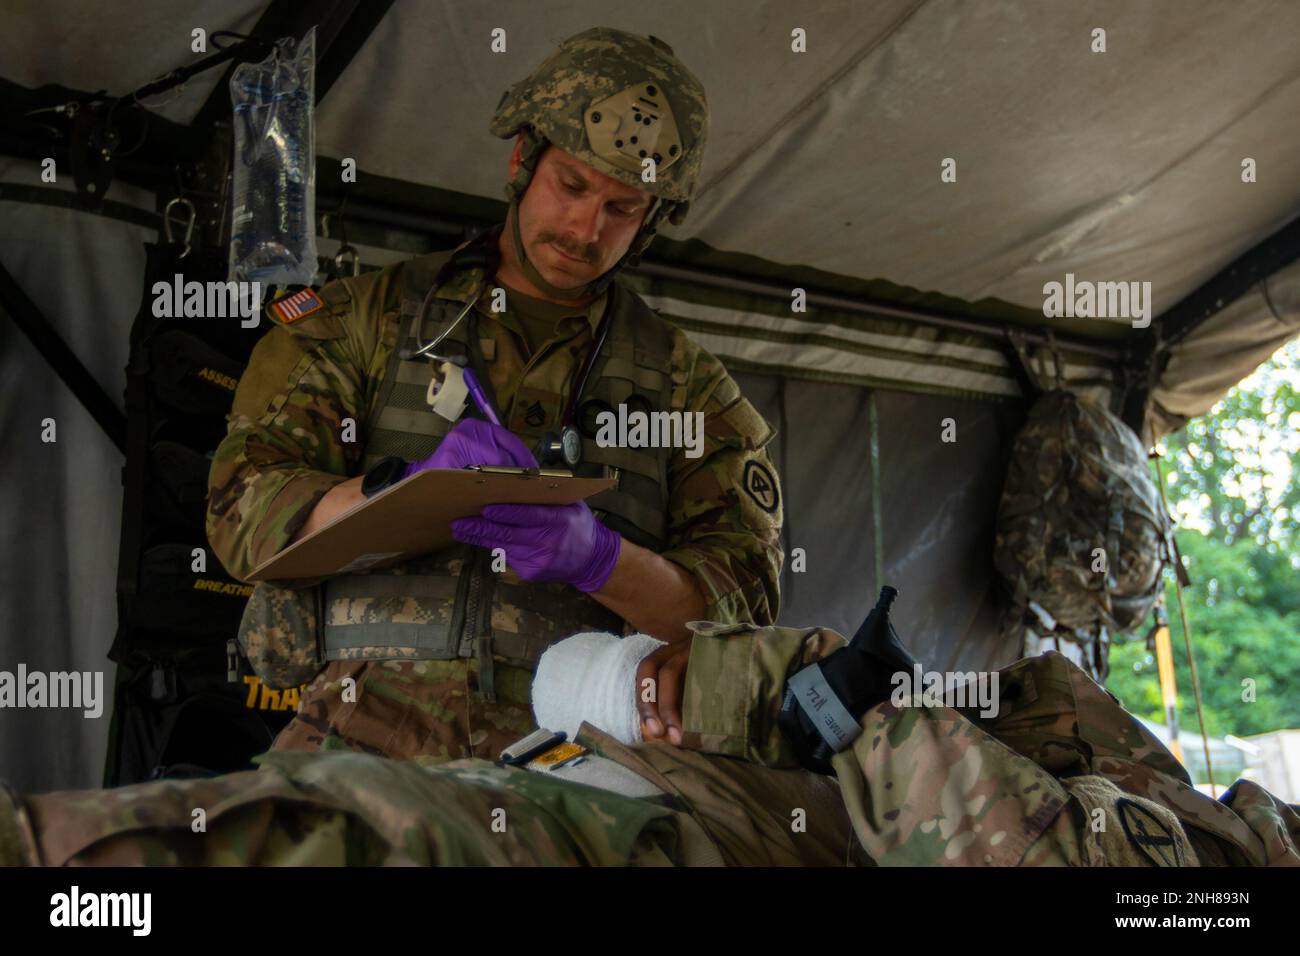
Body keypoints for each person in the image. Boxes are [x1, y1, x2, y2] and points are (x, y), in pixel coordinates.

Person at [205, 28, 784, 762]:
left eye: (623, 208)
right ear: (522, 158)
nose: (585, 228)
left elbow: (744, 617)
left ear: (653, 218)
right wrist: (403, 494)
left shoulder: (689, 389)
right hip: (353, 740)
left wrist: (602, 560)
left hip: (579, 760)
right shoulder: (361, 322)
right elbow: (241, 507)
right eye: (570, 186)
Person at [5, 622, 1296, 866]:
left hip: (671, 827)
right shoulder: (1148, 761)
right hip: (617, 775)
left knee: (342, 835)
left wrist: (808, 688)